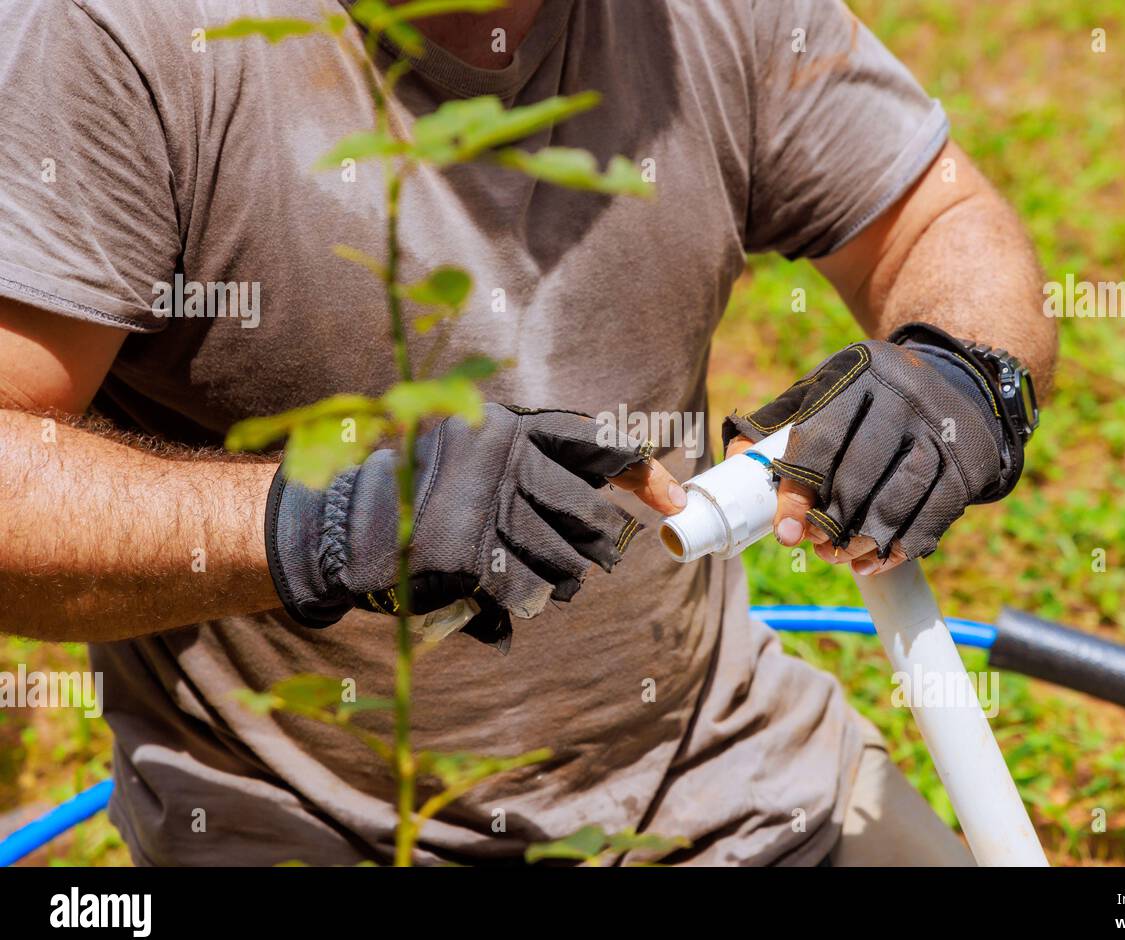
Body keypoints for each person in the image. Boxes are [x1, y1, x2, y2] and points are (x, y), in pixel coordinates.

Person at [0, 0, 1055, 865]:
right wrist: (325, 523)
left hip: (725, 767)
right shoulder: (126, 37)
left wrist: (959, 370)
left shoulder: (705, 21)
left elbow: (933, 219)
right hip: (306, 820)